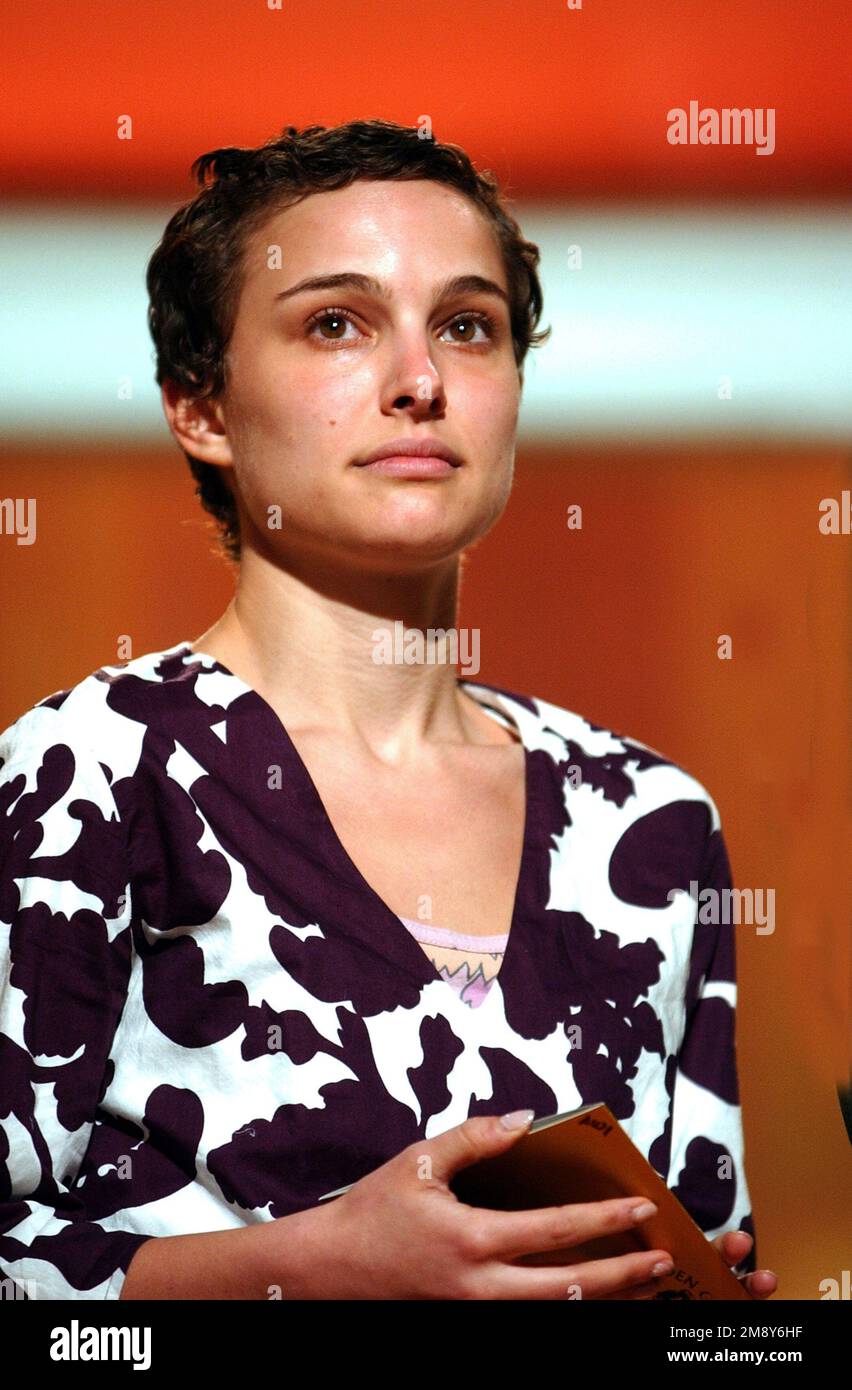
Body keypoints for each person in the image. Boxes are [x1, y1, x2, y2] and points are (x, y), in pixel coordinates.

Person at [0, 120, 777, 1301]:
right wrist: (302, 1274)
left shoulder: (650, 820)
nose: (420, 381)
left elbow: (712, 1269)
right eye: (336, 323)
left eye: (468, 326)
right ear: (199, 406)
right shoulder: (93, 774)